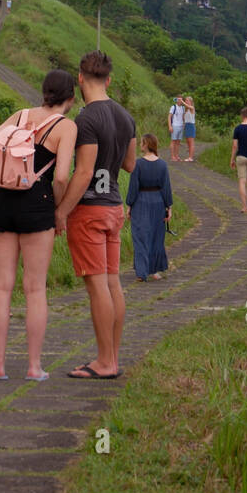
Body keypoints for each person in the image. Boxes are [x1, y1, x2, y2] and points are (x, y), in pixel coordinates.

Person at [0, 70, 77, 380]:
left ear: (43, 92)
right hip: (37, 205)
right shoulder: (66, 127)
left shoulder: (20, 115)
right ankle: (34, 366)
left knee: (1, 287)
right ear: (70, 98)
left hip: (2, 203)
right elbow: (60, 177)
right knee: (34, 288)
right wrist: (58, 209)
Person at [55, 51, 136, 378]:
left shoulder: (86, 119)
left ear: (80, 78)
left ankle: (104, 362)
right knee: (113, 283)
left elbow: (84, 172)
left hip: (90, 209)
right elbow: (130, 164)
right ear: (109, 79)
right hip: (114, 207)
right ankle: (111, 357)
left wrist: (62, 210)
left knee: (97, 287)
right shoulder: (125, 115)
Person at [126, 134, 172, 281]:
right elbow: (166, 188)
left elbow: (134, 187)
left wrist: (129, 205)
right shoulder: (162, 165)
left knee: (140, 237)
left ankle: (142, 272)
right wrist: (168, 207)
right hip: (158, 202)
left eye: (141, 143)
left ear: (146, 145)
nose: (140, 145)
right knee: (156, 237)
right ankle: (154, 271)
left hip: (141, 202)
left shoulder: (138, 164)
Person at [168, 96, 186, 161]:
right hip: (175, 126)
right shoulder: (173, 107)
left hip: (181, 126)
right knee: (173, 141)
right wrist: (170, 126)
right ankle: (172, 156)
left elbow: (183, 117)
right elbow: (169, 117)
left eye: (181, 99)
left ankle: (177, 156)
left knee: (178, 142)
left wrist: (184, 124)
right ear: (176, 100)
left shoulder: (183, 108)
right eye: (179, 99)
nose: (180, 101)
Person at [183, 96, 197, 162]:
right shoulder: (186, 110)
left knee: (191, 143)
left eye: (187, 100)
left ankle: (191, 157)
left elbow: (188, 106)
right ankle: (189, 156)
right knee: (188, 142)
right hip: (187, 126)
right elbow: (185, 120)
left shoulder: (192, 108)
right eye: (185, 100)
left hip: (191, 126)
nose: (186, 101)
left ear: (191, 102)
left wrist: (182, 102)